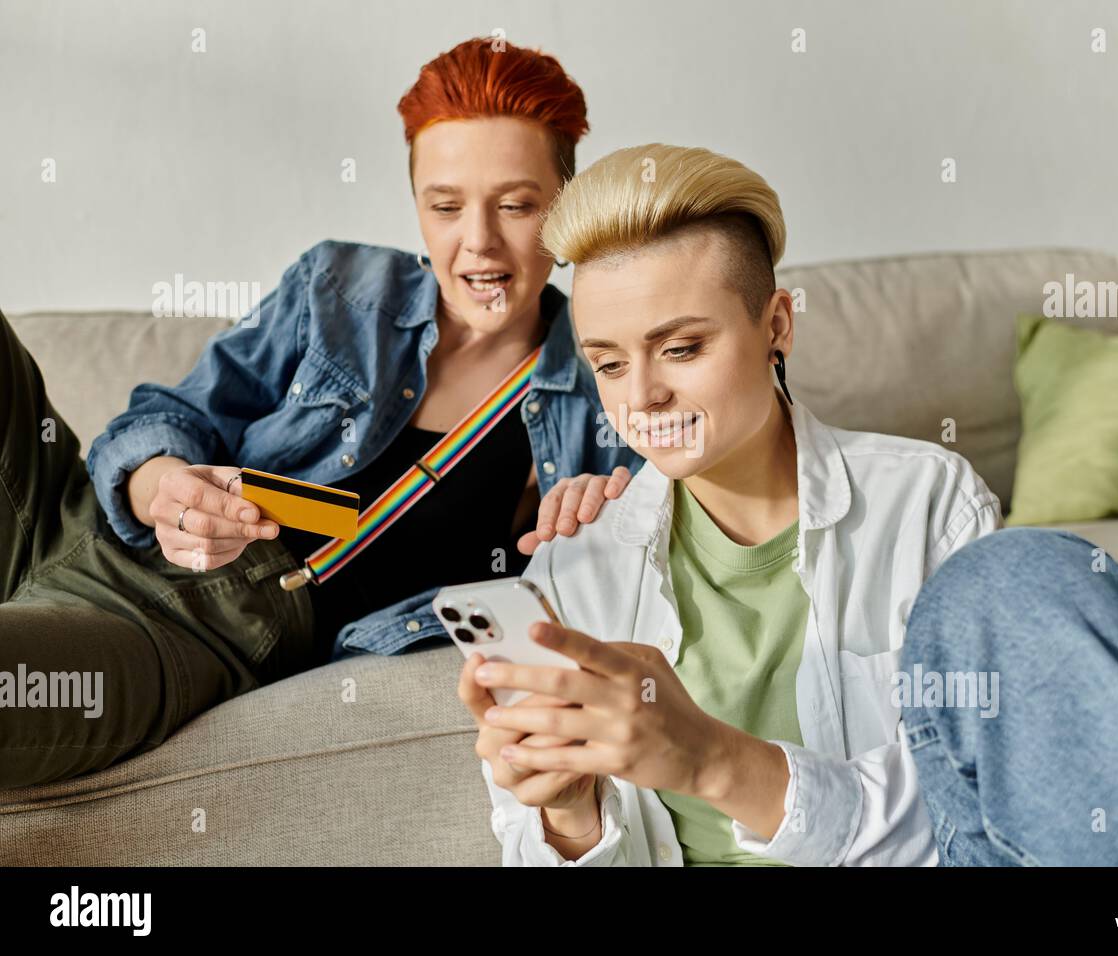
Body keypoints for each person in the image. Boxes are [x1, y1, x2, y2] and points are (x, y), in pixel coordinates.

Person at [457, 143, 1118, 866]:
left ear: (777, 325)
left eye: (680, 347)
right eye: (607, 364)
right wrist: (569, 817)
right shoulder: (577, 559)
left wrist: (713, 760)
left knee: (1027, 571)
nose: (641, 395)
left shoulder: (926, 501)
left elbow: (979, 809)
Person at [0, 38, 640, 789]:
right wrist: (160, 486)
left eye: (516, 205)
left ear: (566, 205)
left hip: (179, 625)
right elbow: (174, 413)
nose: (478, 242)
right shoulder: (338, 286)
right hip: (66, 513)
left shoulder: (605, 385)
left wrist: (609, 522)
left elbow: (654, 558)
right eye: (445, 206)